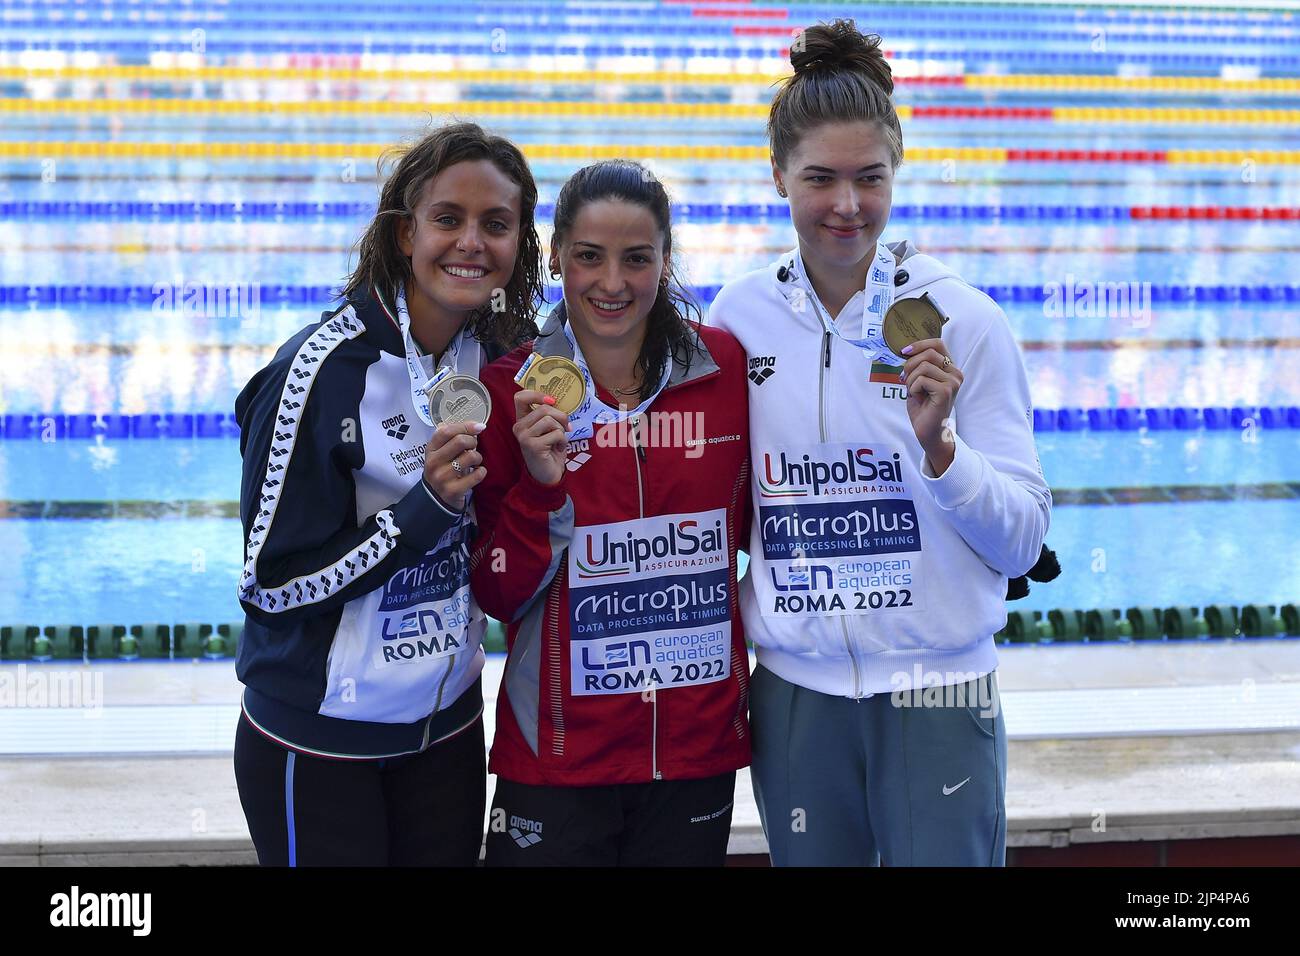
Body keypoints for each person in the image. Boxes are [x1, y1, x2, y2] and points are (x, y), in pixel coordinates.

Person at [707, 20, 1052, 866]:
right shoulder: (735, 320)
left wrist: (943, 452)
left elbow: (1022, 539)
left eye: (870, 177)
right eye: (820, 177)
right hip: (796, 694)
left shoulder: (964, 321)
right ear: (779, 175)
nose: (847, 204)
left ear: (897, 174)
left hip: (939, 685)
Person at [231, 122, 543, 866]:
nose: (471, 241)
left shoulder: (506, 357)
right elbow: (267, 585)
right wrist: (420, 513)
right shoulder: (315, 375)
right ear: (405, 233)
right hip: (319, 744)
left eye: (495, 225)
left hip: (448, 735)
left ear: (519, 244)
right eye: (448, 219)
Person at [469, 160, 752, 866]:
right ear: (558, 253)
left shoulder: (724, 374)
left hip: (694, 751)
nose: (613, 283)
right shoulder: (511, 392)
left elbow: (769, 527)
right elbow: (497, 592)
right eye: (589, 258)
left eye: (637, 259)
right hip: (561, 755)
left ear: (665, 258)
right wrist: (541, 490)